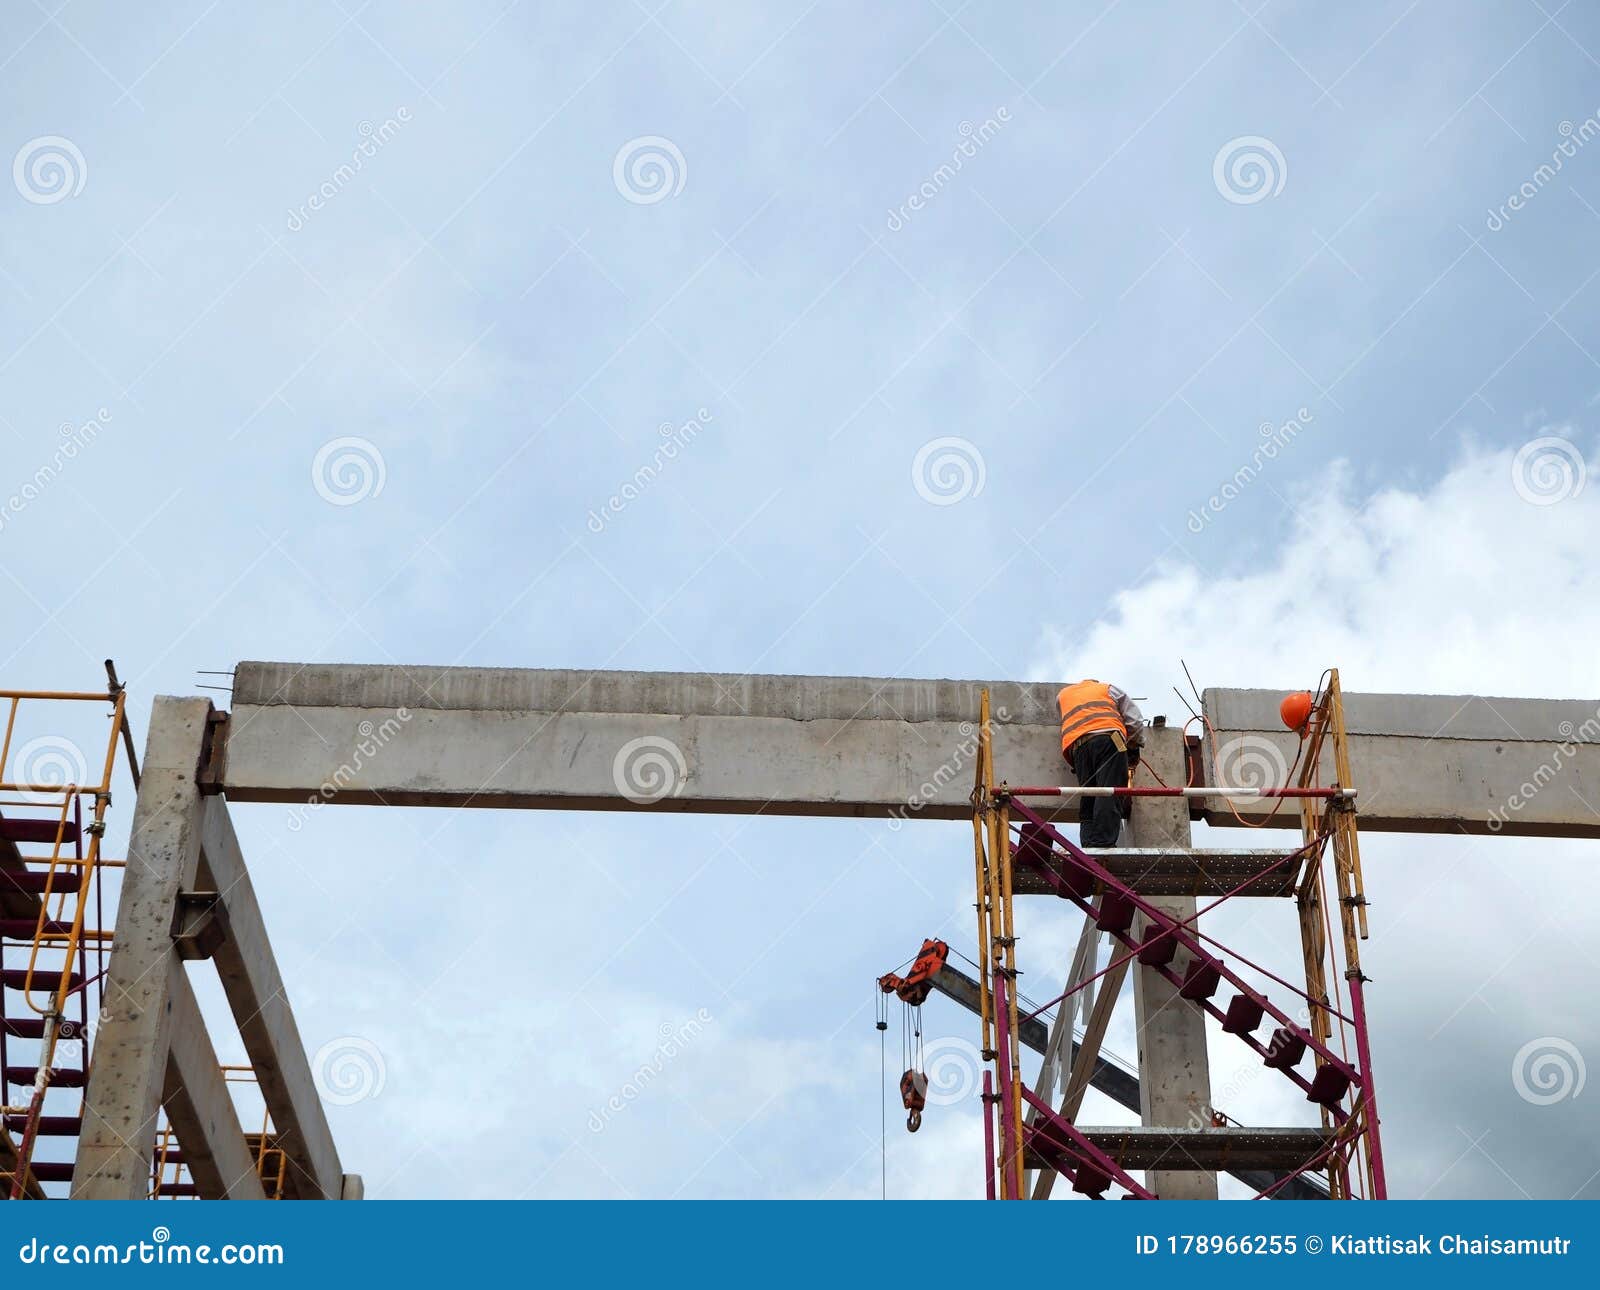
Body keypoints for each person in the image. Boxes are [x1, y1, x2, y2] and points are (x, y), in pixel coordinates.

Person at [1056, 678, 1146, 848]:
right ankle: (1103, 843)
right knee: (1110, 790)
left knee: (1089, 795)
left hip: (1078, 747)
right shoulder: (1108, 689)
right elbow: (1135, 720)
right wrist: (1134, 743)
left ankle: (1089, 843)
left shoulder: (1063, 695)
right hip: (1111, 739)